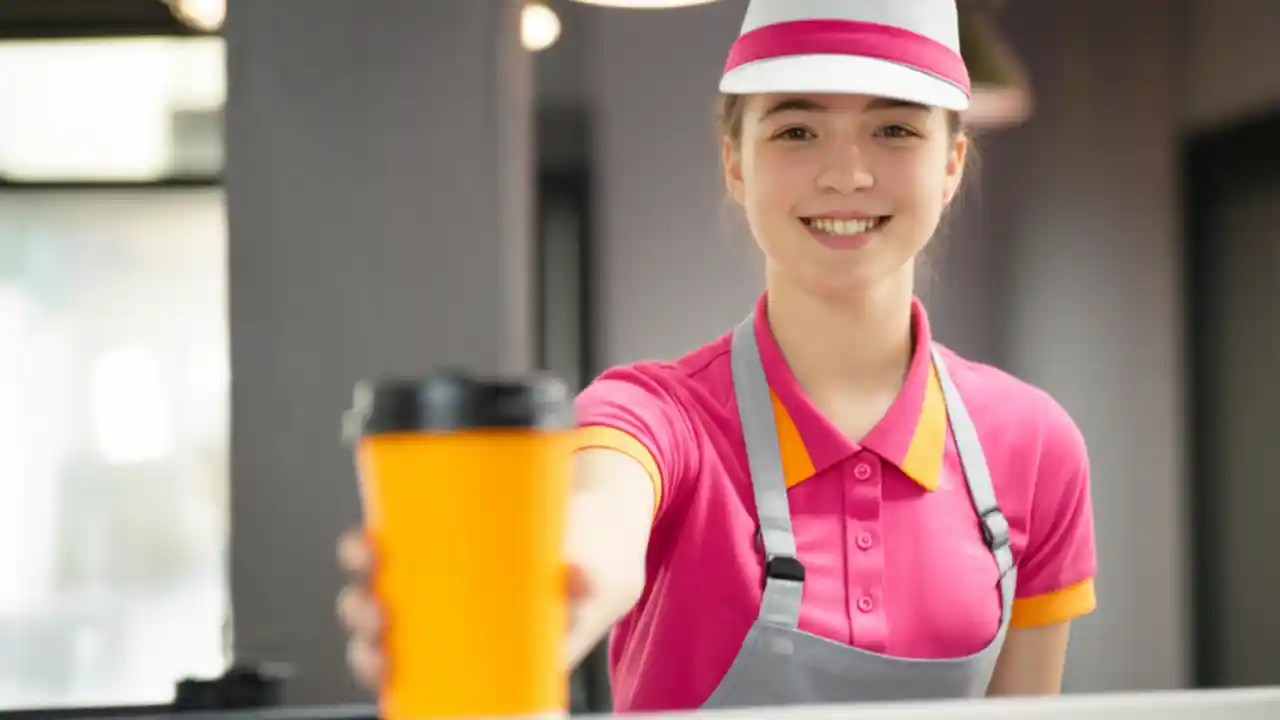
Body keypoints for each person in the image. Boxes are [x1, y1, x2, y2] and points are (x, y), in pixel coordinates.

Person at [337, 0, 1097, 713]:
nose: (847, 173)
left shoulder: (1034, 447)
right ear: (736, 162)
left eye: (894, 130)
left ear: (953, 163)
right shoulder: (655, 415)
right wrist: (534, 596)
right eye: (797, 131)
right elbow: (599, 525)